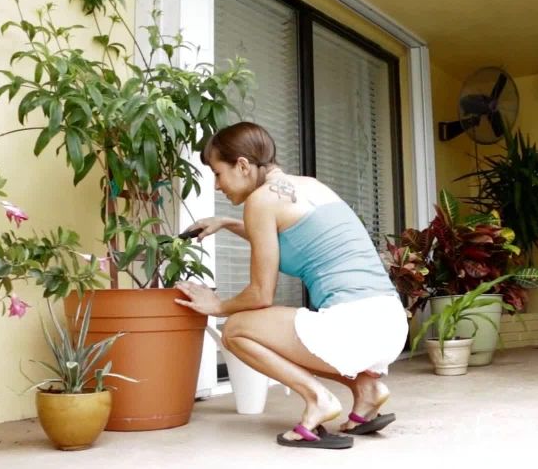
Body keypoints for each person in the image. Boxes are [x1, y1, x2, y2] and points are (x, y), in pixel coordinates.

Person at [174, 122, 408, 449]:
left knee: (237, 329)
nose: (217, 186)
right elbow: (289, 237)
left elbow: (260, 295)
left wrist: (218, 306)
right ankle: (367, 391)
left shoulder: (261, 202)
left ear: (242, 165)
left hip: (355, 327)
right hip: (389, 324)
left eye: (217, 173)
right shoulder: (310, 186)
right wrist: (227, 223)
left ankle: (318, 401)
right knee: (297, 332)